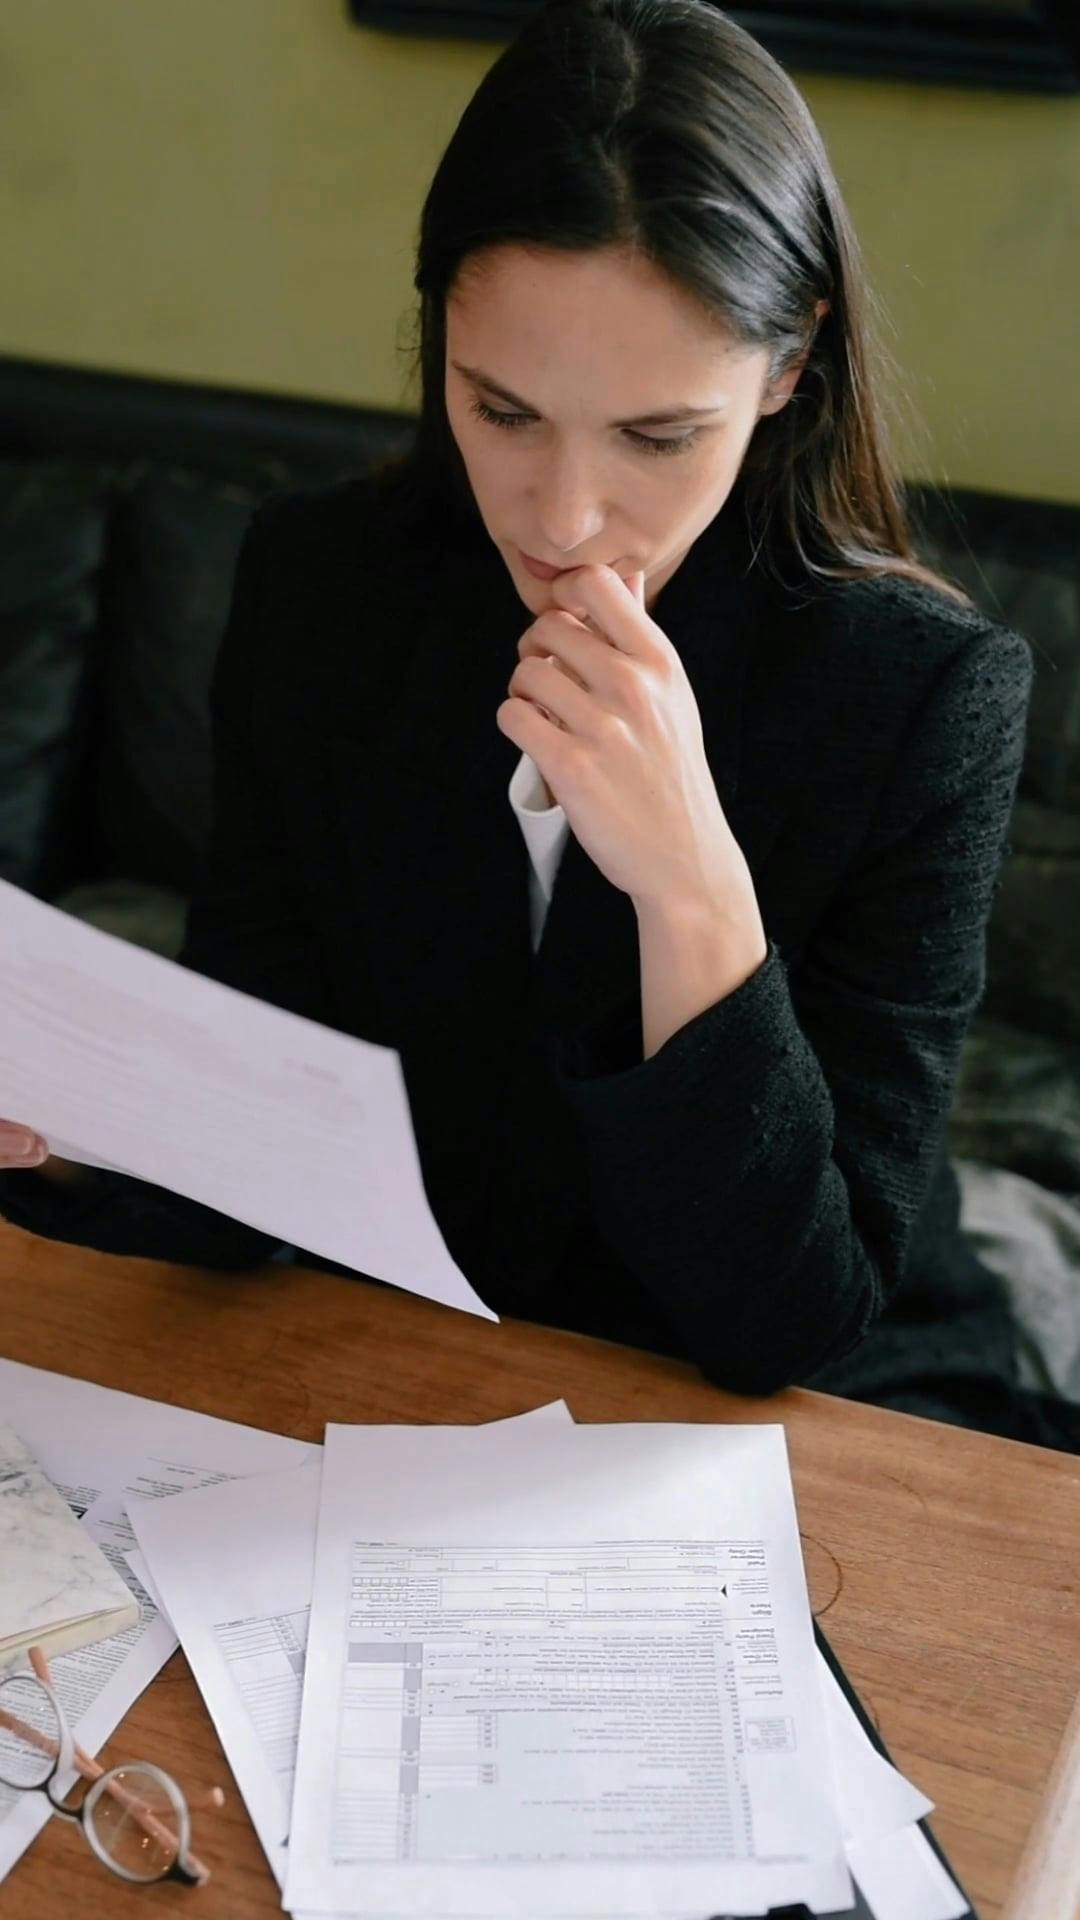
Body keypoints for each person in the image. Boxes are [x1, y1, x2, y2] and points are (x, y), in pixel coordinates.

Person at [1, 0, 1071, 1449]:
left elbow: (792, 1321)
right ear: (437, 325)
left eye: (655, 436)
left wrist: (691, 890)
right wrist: (74, 1139)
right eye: (501, 412)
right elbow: (266, 1102)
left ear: (787, 366)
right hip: (415, 1351)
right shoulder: (326, 586)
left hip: (811, 1400)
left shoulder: (919, 692)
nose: (565, 522)